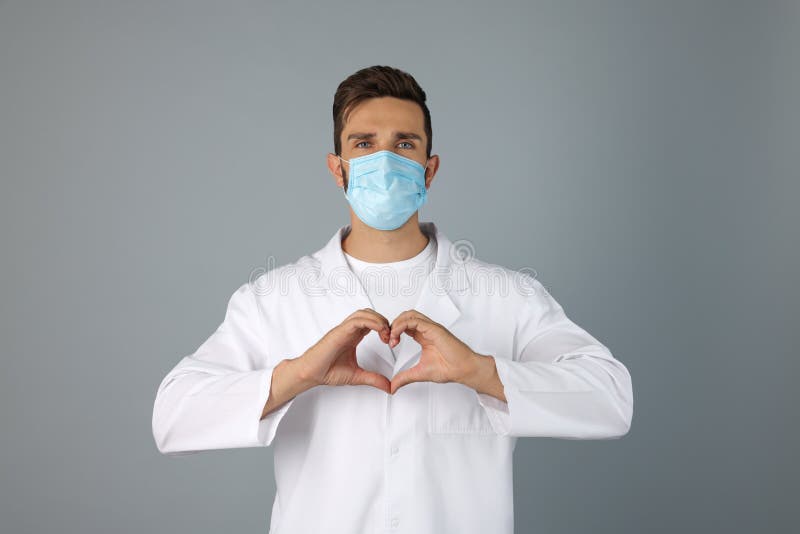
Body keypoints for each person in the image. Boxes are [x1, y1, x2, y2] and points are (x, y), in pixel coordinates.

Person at [151, 65, 634, 534]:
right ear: (337, 169)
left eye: (405, 144)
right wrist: (295, 376)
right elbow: (173, 418)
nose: (385, 160)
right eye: (364, 144)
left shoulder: (507, 297)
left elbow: (611, 399)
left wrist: (481, 373)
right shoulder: (273, 300)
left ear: (430, 168)